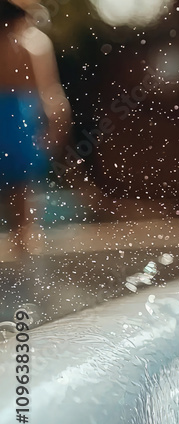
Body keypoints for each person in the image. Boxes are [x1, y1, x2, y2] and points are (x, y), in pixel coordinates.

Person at [0, 0, 69, 260]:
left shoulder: (31, 44)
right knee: (22, 184)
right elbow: (49, 92)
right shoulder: (35, 44)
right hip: (20, 113)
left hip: (16, 112)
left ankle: (24, 240)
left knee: (19, 183)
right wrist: (57, 125)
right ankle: (25, 240)